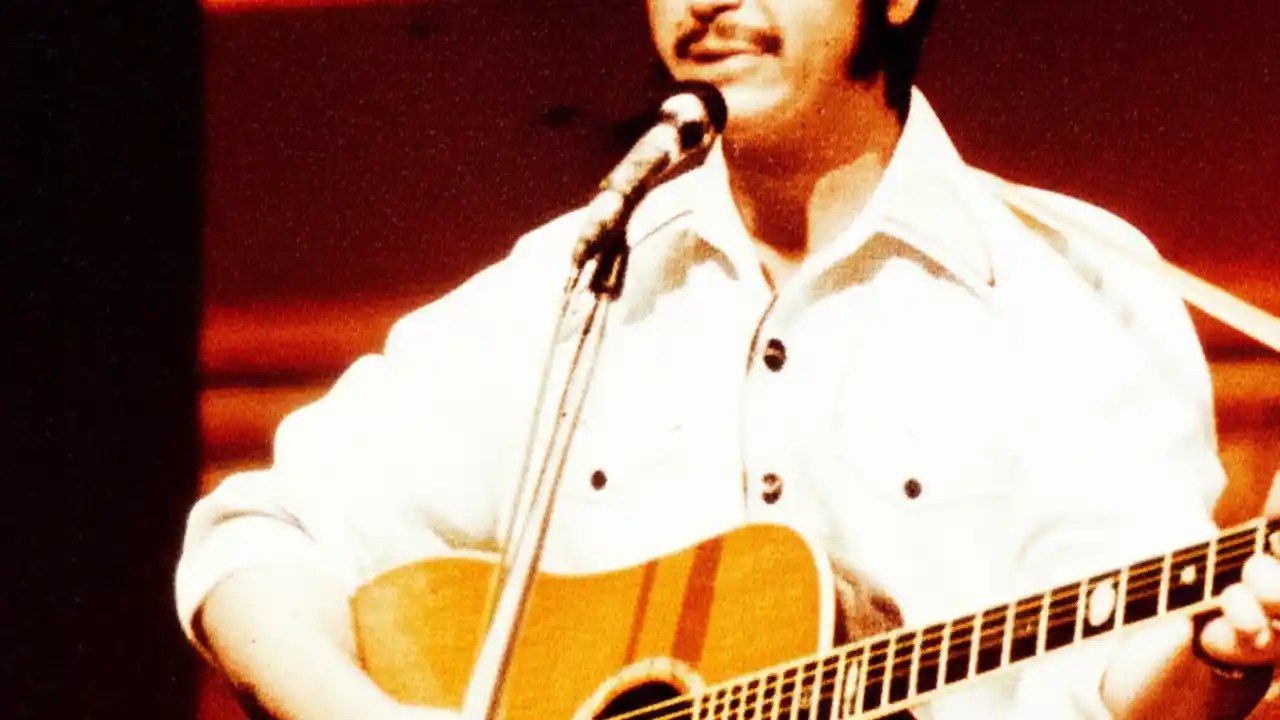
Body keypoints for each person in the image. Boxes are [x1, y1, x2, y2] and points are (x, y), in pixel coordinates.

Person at [175, 1, 1280, 718]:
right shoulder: (575, 281)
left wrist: (1223, 651)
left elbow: (1109, 684)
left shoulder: (1070, 291)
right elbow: (255, 537)